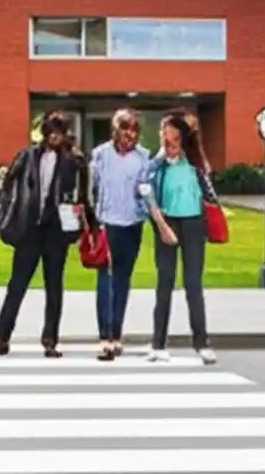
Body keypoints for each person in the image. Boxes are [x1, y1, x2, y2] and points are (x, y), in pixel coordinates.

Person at [0, 111, 94, 359]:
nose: (55, 136)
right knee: (16, 285)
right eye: (51, 131)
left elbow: (83, 196)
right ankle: (1, 338)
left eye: (59, 132)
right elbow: (8, 182)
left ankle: (50, 339)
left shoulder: (74, 161)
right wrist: (13, 208)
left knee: (54, 286)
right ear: (44, 132)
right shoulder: (28, 156)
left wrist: (86, 226)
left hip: (56, 231)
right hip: (30, 229)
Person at [138, 109, 219, 365]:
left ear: (180, 136)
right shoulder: (157, 164)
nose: (165, 137)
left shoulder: (195, 163)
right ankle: (158, 343)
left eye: (169, 132)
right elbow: (146, 192)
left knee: (193, 284)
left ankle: (202, 343)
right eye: (163, 133)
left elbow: (208, 188)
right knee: (165, 282)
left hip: (194, 224)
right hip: (167, 222)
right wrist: (162, 226)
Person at [89, 109, 151, 361]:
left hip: (133, 224)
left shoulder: (144, 157)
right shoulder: (100, 155)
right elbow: (91, 189)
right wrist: (93, 222)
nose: (130, 134)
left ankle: (116, 333)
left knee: (123, 280)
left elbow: (148, 191)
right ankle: (105, 335)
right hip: (107, 224)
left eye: (134, 129)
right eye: (125, 129)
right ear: (114, 131)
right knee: (106, 278)